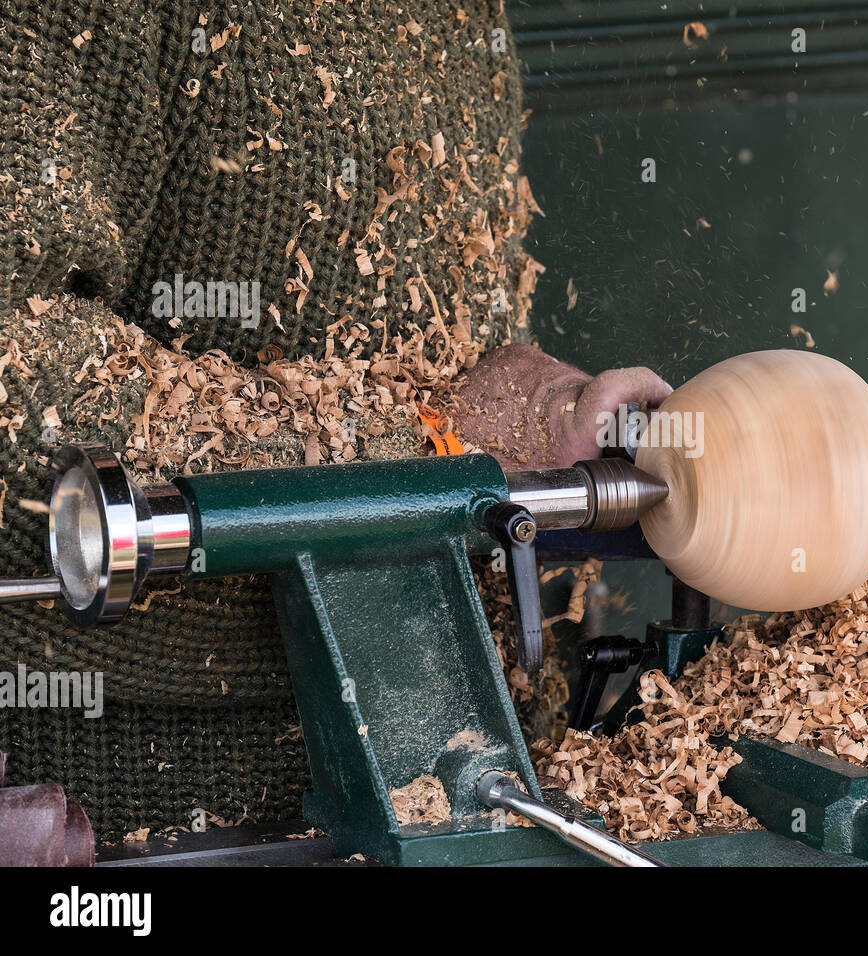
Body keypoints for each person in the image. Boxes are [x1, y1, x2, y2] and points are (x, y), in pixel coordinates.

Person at [0, 0, 669, 842]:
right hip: (175, 825)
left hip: (483, 777)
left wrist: (542, 414)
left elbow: (427, 348)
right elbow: (16, 388)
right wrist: (437, 454)